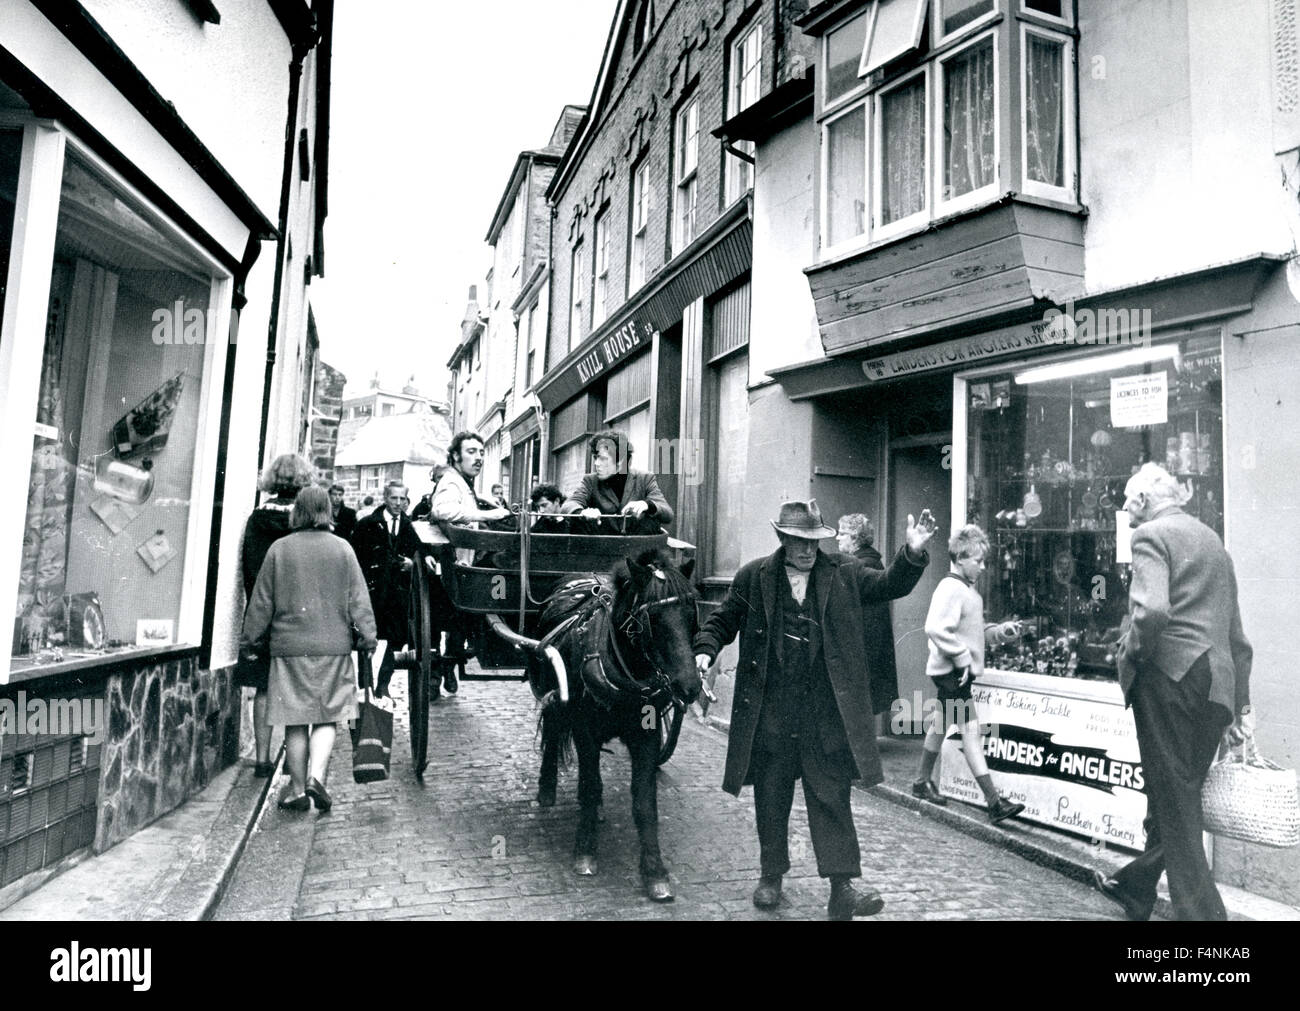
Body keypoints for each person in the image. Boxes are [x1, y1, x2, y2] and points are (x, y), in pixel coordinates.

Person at [693, 499, 937, 920]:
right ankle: (771, 875)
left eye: (815, 541)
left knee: (831, 797)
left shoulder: (843, 572)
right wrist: (704, 651)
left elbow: (889, 584)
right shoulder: (755, 576)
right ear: (783, 539)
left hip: (825, 715)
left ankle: (842, 887)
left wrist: (911, 552)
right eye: (799, 542)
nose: (808, 550)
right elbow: (723, 619)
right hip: (772, 713)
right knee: (772, 795)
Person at [1092, 463, 1253, 921]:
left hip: (1169, 679)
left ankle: (1203, 919)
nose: (1125, 511)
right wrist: (1241, 707)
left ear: (1143, 501)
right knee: (1174, 795)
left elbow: (1153, 610)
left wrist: (1130, 654)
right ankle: (1136, 889)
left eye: (1126, 502)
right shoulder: (1214, 543)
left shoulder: (1149, 537)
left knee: (1176, 801)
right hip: (1215, 686)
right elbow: (1237, 637)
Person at [241, 486, 377, 813]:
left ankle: (298, 790)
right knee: (328, 716)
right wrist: (368, 638)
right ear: (327, 511)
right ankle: (317, 777)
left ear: (297, 512)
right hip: (333, 646)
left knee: (296, 721)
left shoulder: (279, 549)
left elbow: (261, 602)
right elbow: (358, 600)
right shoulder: (343, 549)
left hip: (289, 649)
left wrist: (250, 642)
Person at [912, 524, 1025, 823]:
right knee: (971, 733)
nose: (983, 566)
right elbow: (935, 628)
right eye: (978, 560)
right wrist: (962, 658)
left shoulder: (964, 590)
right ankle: (994, 802)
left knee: (940, 723)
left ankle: (921, 782)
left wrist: (999, 632)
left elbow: (970, 632)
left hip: (955, 673)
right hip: (953, 674)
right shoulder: (951, 588)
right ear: (961, 557)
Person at [238, 454, 314, 778]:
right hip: (298, 615)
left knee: (263, 688)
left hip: (264, 612)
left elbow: (250, 569)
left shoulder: (257, 518)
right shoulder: (307, 521)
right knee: (297, 689)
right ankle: (294, 763)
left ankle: (262, 758)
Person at [430, 433, 511, 691]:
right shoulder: (450, 481)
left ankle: (451, 661)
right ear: (456, 456)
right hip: (454, 568)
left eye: (481, 452)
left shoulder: (463, 483)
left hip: (466, 564)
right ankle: (441, 666)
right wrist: (487, 513)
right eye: (472, 452)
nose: (478, 458)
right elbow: (442, 510)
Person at [349, 481, 421, 698]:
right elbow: (355, 557)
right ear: (385, 498)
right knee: (367, 636)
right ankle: (365, 684)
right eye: (394, 498)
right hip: (372, 592)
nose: (398, 503)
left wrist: (411, 564)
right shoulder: (367, 525)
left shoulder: (410, 527)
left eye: (402, 499)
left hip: (397, 596)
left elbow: (419, 553)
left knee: (393, 639)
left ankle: (383, 683)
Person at [836, 513, 899, 721]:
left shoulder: (861, 566)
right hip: (868, 641)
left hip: (862, 643)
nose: (837, 537)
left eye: (842, 533)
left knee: (859, 697)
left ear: (855, 538)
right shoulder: (868, 562)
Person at [561, 430, 672, 532]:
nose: (596, 463)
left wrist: (647, 505)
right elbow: (568, 505)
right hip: (604, 548)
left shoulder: (644, 479)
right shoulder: (590, 481)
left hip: (638, 549)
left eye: (603, 458)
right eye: (595, 457)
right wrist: (582, 512)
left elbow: (667, 513)